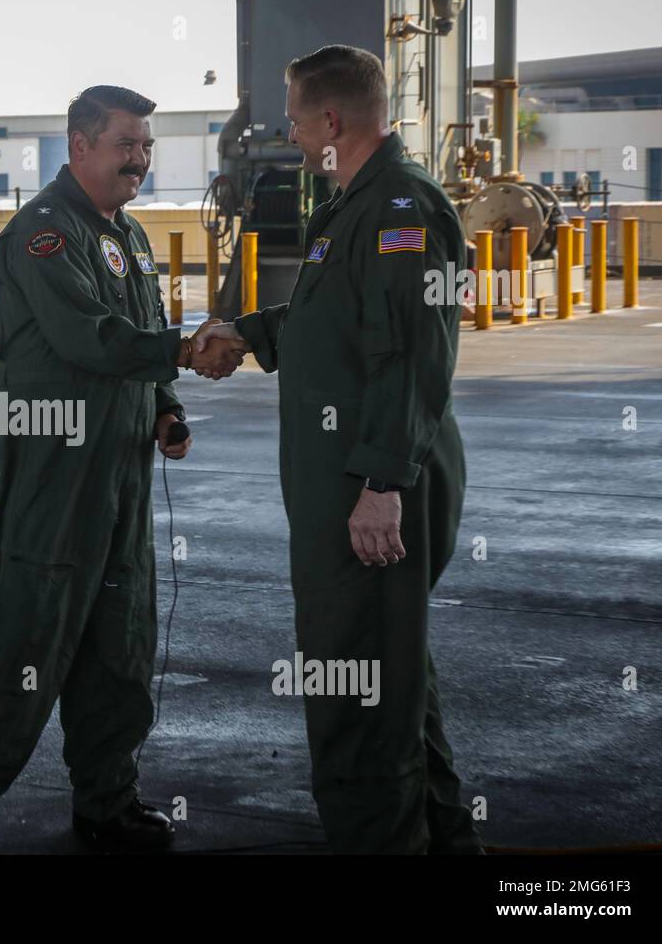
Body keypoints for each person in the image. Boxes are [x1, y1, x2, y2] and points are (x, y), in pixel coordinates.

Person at [0, 85, 246, 852]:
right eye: (126, 144)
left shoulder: (130, 236)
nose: (141, 159)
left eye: (147, 146)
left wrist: (165, 407)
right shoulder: (43, 236)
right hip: (57, 479)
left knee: (120, 649)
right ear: (79, 146)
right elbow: (90, 338)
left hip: (120, 476)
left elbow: (141, 336)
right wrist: (185, 350)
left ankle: (106, 802)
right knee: (26, 641)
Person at [196, 45, 483, 854]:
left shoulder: (401, 210)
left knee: (356, 687)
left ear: (330, 120)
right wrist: (245, 333)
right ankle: (443, 839)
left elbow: (412, 355)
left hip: (373, 486)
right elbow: (333, 328)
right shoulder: (352, 205)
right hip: (348, 486)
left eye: (292, 119)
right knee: (390, 671)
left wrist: (383, 483)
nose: (288, 135)